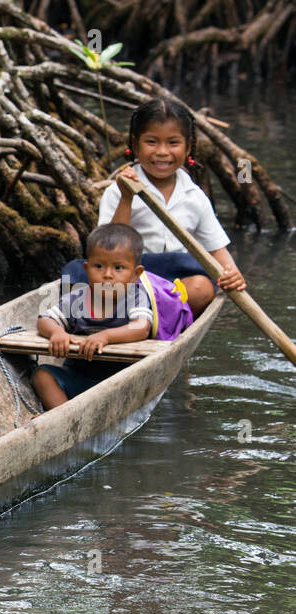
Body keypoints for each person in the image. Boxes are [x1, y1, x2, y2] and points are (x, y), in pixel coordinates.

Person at [62, 97, 245, 317]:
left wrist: (232, 273)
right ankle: (135, 317)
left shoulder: (195, 197)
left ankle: (151, 319)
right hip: (124, 280)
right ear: (135, 144)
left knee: (201, 288)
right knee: (73, 276)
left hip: (171, 286)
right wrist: (127, 198)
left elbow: (217, 250)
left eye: (173, 143)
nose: (162, 152)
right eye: (151, 142)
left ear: (188, 146)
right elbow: (106, 247)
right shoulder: (118, 191)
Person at [33, 223, 153, 409]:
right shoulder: (78, 298)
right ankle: (66, 419)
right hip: (79, 378)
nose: (107, 275)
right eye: (99, 266)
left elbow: (142, 327)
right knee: (42, 375)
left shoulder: (135, 297)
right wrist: (57, 332)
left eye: (118, 268)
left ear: (136, 274)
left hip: (121, 383)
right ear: (87, 269)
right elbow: (44, 320)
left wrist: (106, 336)